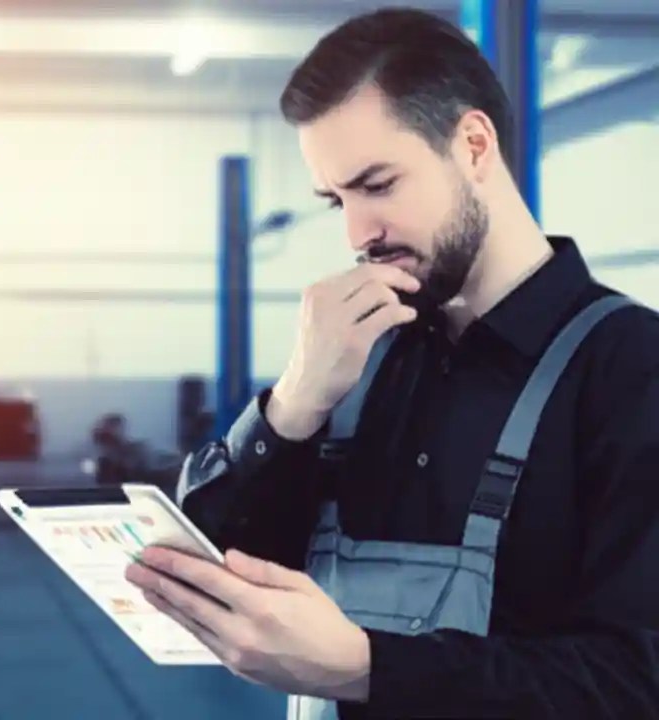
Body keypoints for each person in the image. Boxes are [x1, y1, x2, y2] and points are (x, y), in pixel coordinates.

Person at [123, 7, 659, 720]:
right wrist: (292, 404)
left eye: (377, 186)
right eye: (335, 198)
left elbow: (635, 682)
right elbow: (215, 565)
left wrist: (369, 669)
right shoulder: (358, 355)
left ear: (472, 146)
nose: (356, 233)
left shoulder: (631, 370)